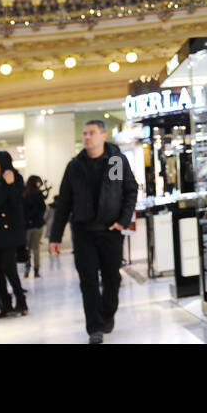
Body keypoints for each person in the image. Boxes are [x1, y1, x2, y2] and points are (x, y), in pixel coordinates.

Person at [49, 120, 139, 344]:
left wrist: (123, 221)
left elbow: (129, 191)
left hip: (110, 230)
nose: (87, 137)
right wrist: (55, 237)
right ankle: (95, 328)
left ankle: (107, 314)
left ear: (103, 136)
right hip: (83, 232)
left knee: (111, 278)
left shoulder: (116, 161)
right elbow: (64, 204)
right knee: (88, 280)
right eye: (85, 133)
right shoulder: (75, 166)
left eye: (92, 133)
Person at [0, 151, 28, 318]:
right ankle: (5, 305)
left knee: (9, 268)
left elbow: (17, 203)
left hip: (9, 232)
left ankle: (21, 301)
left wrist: (9, 184)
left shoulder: (14, 178)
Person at [22, 175, 46, 278]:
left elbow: (22, 210)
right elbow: (43, 208)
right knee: (36, 248)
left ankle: (27, 269)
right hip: (37, 225)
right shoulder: (38, 194)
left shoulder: (24, 194)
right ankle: (36, 270)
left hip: (27, 225)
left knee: (27, 249)